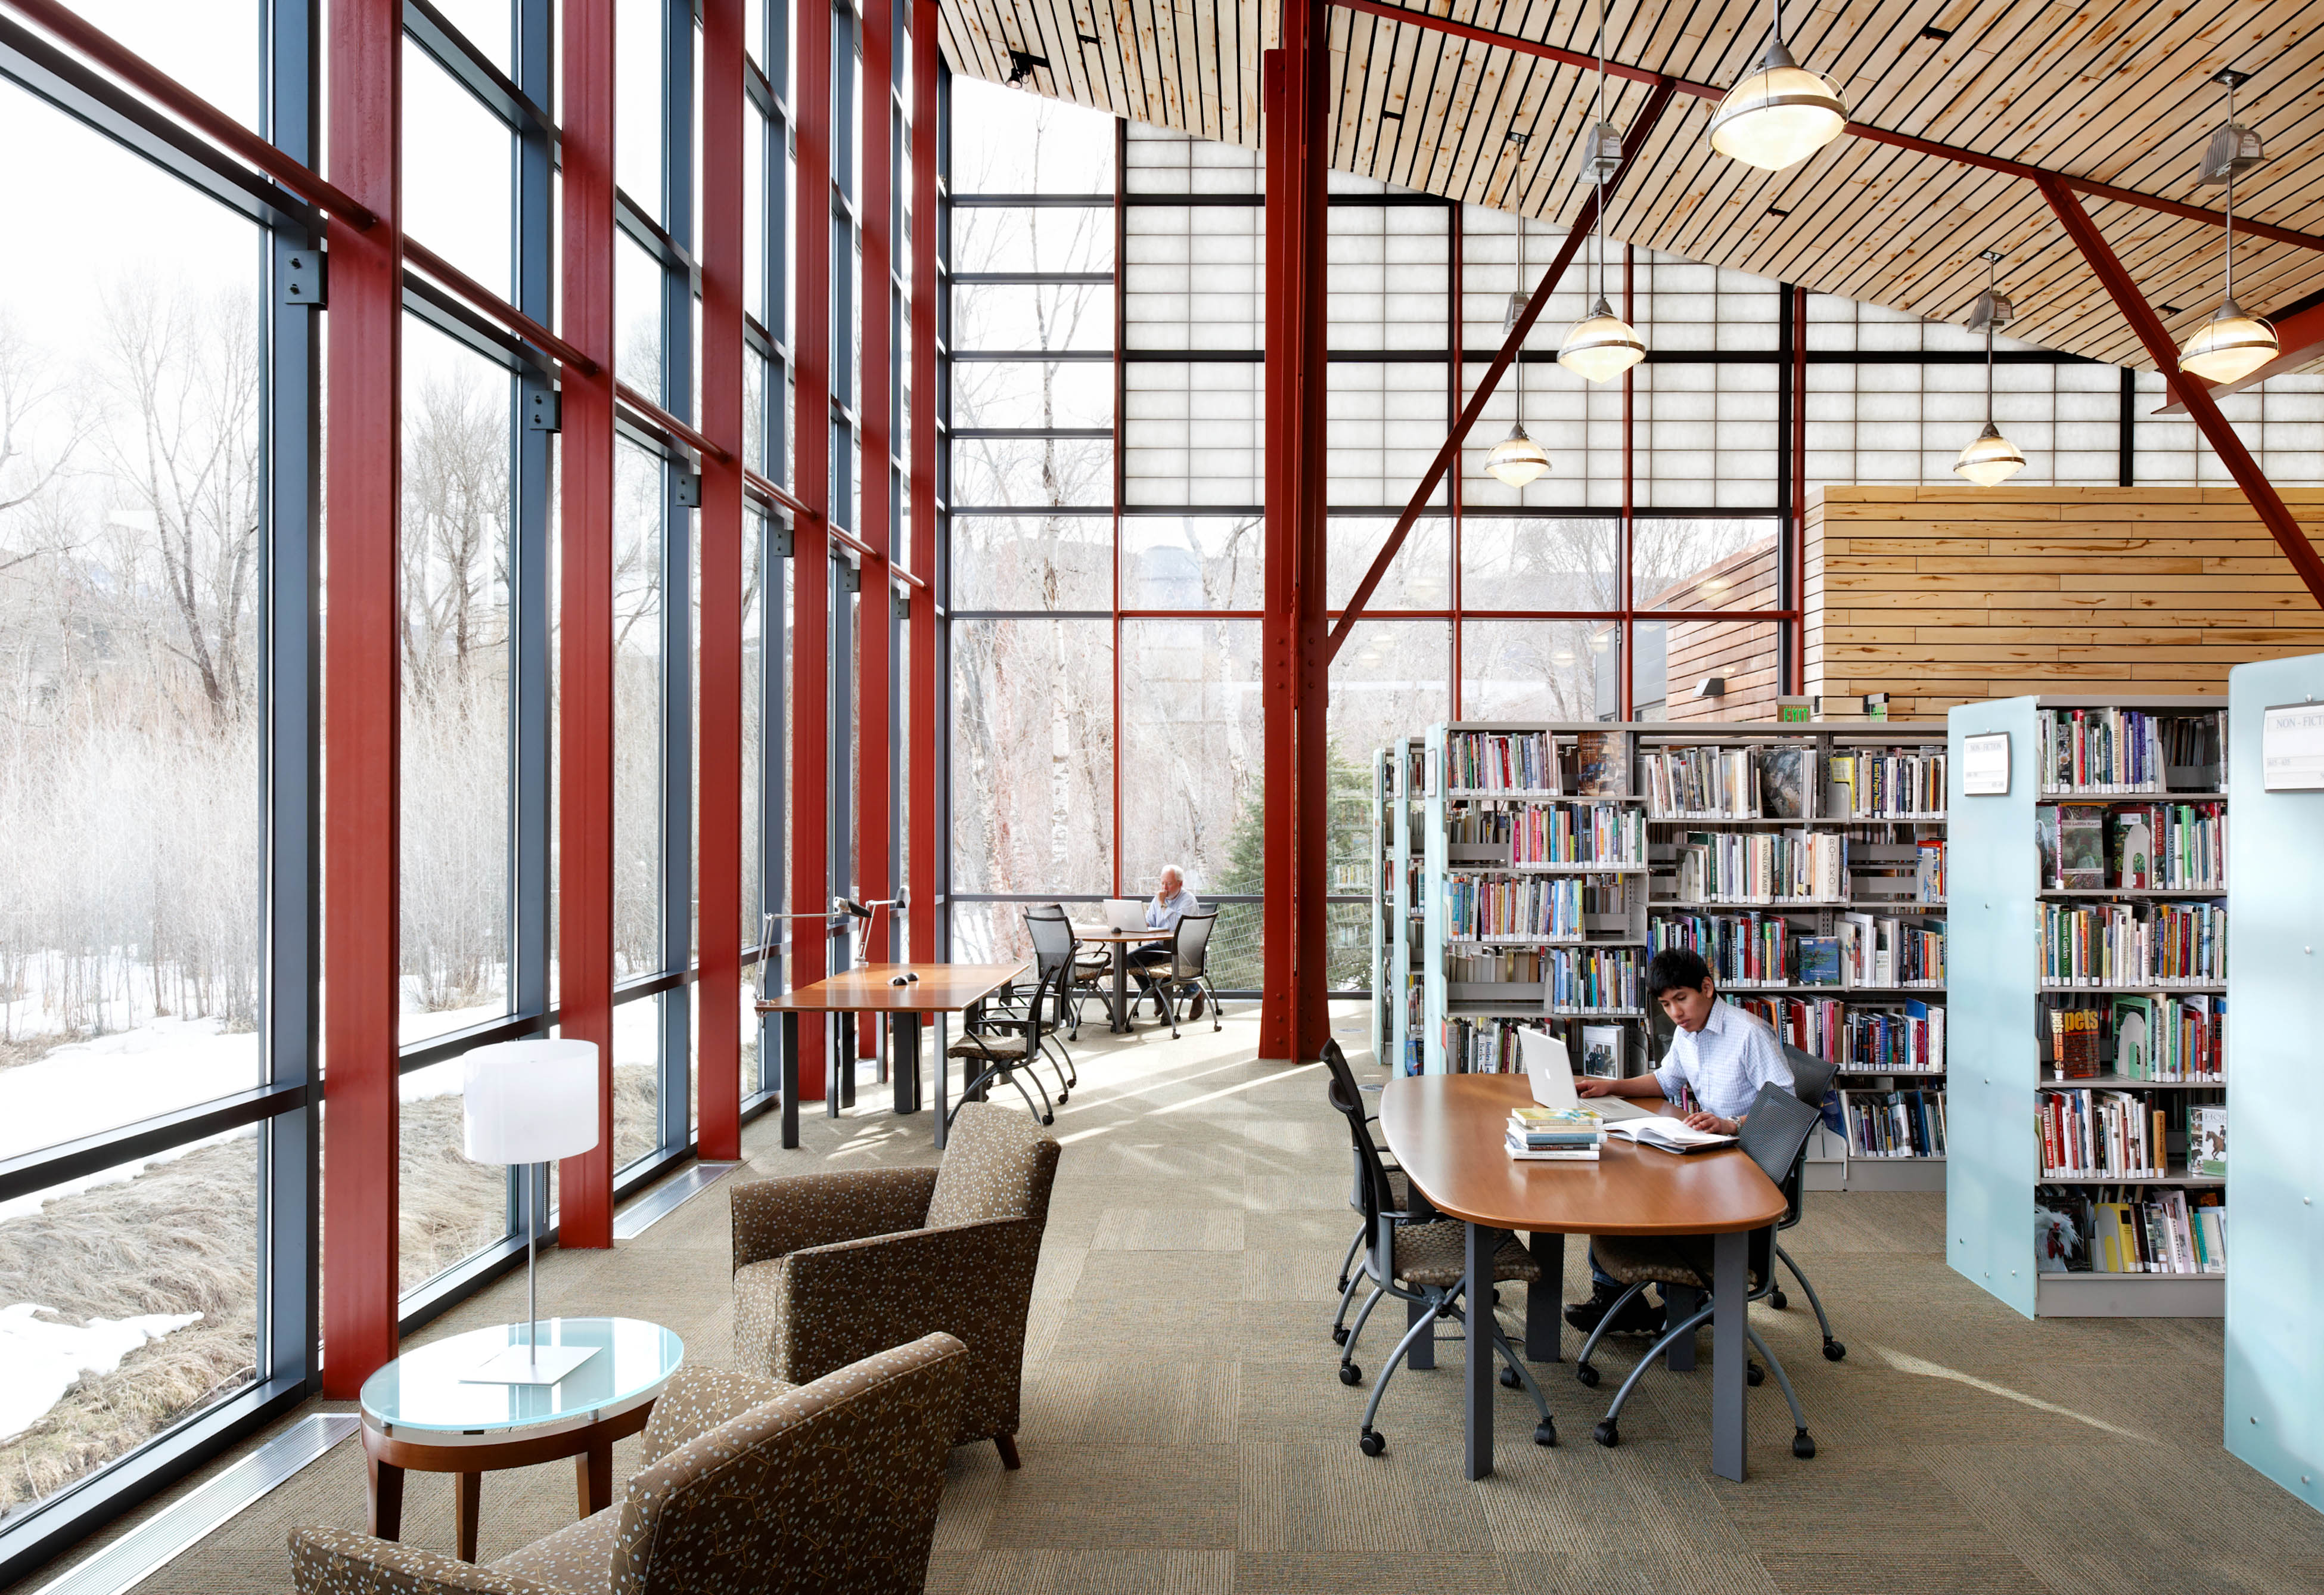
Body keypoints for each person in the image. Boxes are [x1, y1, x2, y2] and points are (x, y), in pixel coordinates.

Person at [1561, 946, 1795, 1335]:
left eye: (1681, 1000)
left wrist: (1732, 1124)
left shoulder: (1749, 1034)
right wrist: (1611, 1087)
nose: (1675, 1013)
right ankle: (1616, 1298)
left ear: (1707, 988)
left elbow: (1787, 1106)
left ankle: (1684, 1302)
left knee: (1640, 1187)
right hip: (1710, 1151)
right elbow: (1665, 1081)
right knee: (1618, 1180)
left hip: (1748, 1160)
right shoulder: (1689, 1033)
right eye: (1667, 1005)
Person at [1127, 865, 1201, 1017]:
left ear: (1180, 884)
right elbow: (1150, 921)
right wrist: (1139, 924)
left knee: (1174, 962)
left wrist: (1163, 905)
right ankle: (1157, 995)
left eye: (1169, 883)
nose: (1165, 887)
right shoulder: (1158, 899)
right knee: (1130, 959)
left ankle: (1196, 996)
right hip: (1161, 945)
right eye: (1163, 883)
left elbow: (1177, 927)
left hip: (1183, 948)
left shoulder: (1188, 901)